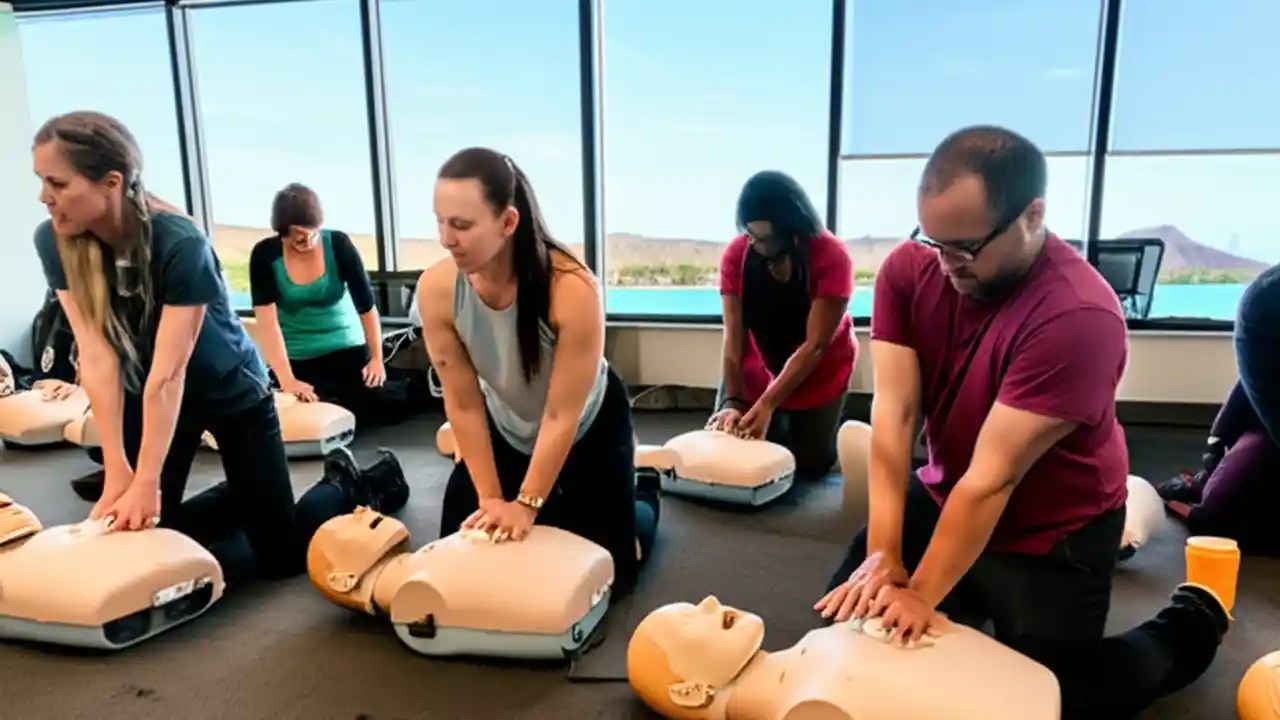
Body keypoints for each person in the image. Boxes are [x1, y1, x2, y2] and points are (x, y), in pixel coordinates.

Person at [815, 125, 1231, 720]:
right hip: (946, 494)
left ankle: (1193, 619)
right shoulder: (911, 270)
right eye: (933, 242)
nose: (946, 264)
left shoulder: (1079, 315)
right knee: (851, 636)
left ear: (1033, 215)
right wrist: (884, 553)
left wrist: (922, 594)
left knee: (1056, 703)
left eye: (966, 247)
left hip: (1051, 531)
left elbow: (994, 478)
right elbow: (895, 413)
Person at [29, 110, 408, 586]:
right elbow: (99, 357)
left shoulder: (178, 241)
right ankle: (244, 493)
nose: (45, 197)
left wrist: (146, 480)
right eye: (42, 181)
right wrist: (120, 473)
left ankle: (351, 484)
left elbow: (171, 374)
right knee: (142, 527)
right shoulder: (54, 241)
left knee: (280, 557)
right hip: (146, 392)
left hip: (230, 390)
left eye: (58, 183)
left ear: (110, 182)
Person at [417, 147, 659, 597]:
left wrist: (527, 504)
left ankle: (643, 491)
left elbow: (560, 415)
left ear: (508, 223)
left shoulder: (573, 288)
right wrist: (491, 499)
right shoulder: (435, 290)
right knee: (464, 546)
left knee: (613, 575)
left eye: (462, 225)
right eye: (440, 222)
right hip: (505, 425)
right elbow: (465, 404)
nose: (446, 239)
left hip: (588, 427)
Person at [706, 171, 856, 479]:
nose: (756, 245)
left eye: (766, 239)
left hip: (817, 369)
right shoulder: (737, 254)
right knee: (732, 450)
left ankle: (817, 434)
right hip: (758, 365)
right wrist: (734, 399)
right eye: (751, 236)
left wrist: (768, 403)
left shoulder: (832, 256)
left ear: (792, 230)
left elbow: (815, 346)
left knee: (808, 467)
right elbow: (733, 336)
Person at [249, 183, 414, 427]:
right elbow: (268, 324)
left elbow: (367, 308)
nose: (308, 242)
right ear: (282, 233)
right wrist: (287, 380)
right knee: (308, 407)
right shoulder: (265, 256)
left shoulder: (338, 244)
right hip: (299, 356)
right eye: (299, 238)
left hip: (346, 348)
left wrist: (377, 359)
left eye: (313, 233)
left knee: (373, 403)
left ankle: (418, 384)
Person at [1158, 263, 1280, 555]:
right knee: (1215, 519)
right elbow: (1253, 380)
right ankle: (1198, 483)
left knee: (1223, 519)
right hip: (1266, 326)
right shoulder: (1267, 302)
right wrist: (1218, 438)